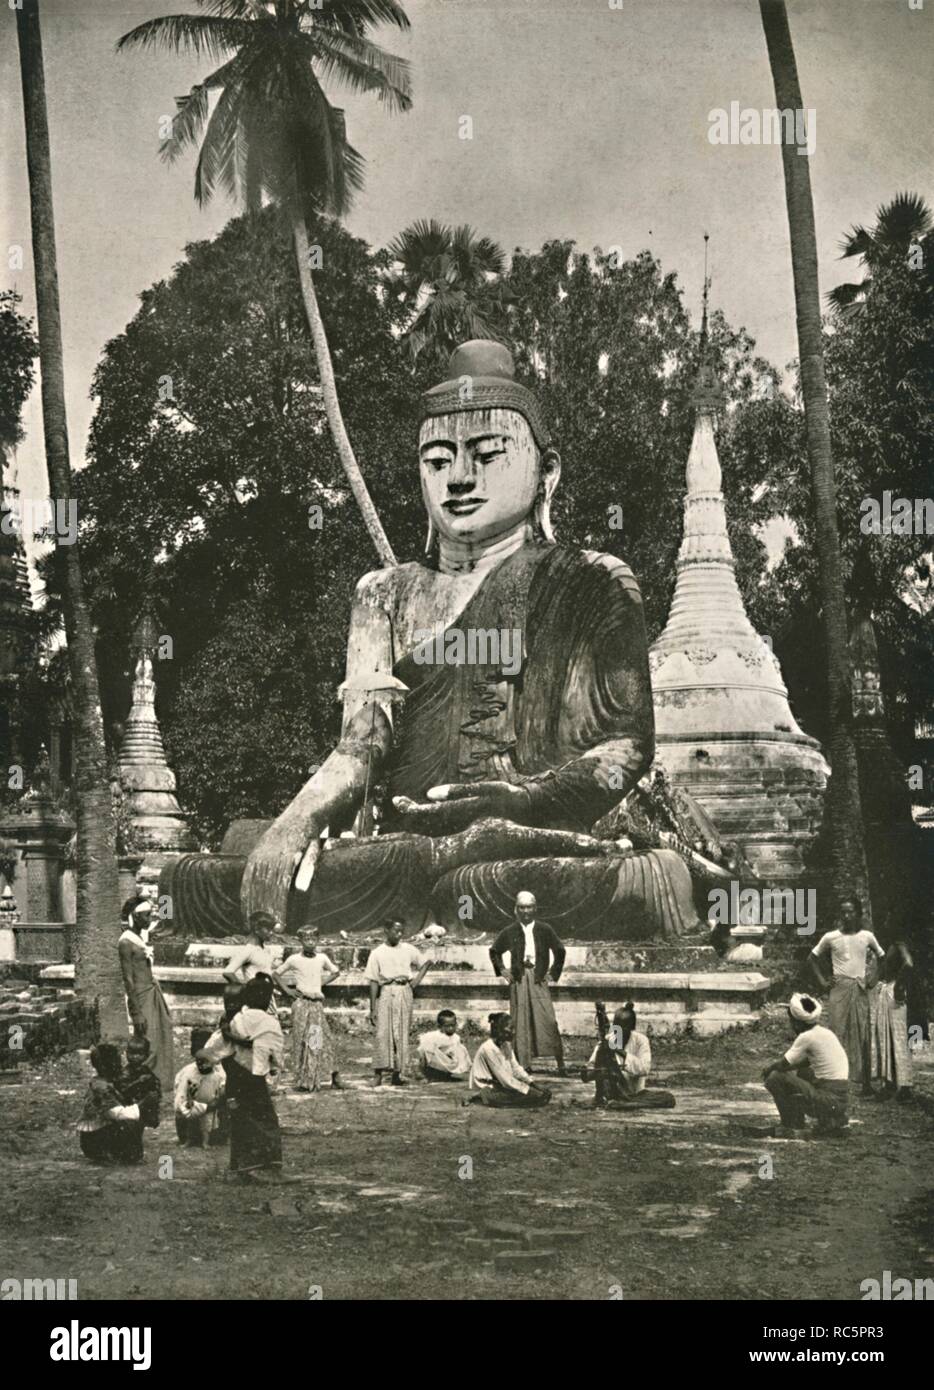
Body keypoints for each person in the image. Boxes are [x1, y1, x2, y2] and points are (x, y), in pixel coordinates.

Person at [807, 897, 884, 1094]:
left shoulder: (867, 936)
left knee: (863, 1034)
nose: (847, 916)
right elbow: (812, 958)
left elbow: (882, 957)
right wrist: (823, 982)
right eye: (843, 912)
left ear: (858, 914)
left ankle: (865, 1084)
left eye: (850, 912)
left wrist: (873, 978)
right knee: (835, 1033)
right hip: (839, 988)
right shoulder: (830, 937)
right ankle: (835, 1081)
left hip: (859, 989)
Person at [490, 891, 566, 1074]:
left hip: (538, 977)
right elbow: (494, 951)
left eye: (529, 907)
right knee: (519, 1021)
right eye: (522, 907)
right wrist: (502, 970)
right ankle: (522, 1065)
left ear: (535, 908)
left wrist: (553, 973)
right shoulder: (510, 931)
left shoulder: (544, 929)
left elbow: (560, 950)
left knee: (547, 1020)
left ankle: (560, 1063)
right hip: (518, 978)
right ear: (516, 909)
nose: (525, 911)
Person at [221, 974, 285, 1182]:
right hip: (255, 1076)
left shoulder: (237, 1019)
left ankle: (239, 1166)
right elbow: (276, 1053)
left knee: (240, 1117)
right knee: (266, 1119)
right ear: (267, 999)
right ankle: (264, 1166)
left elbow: (225, 1044)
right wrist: (275, 1068)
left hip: (236, 1073)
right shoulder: (270, 1022)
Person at [762, 993, 850, 1138]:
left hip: (828, 1099)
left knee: (774, 1078)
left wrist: (768, 1069)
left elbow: (783, 1064)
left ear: (797, 1022)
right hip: (839, 1099)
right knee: (803, 1072)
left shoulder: (806, 1037)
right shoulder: (825, 1033)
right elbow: (805, 1062)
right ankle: (831, 1120)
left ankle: (790, 1123)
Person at [274, 927, 344, 1091]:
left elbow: (336, 972)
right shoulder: (294, 959)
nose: (310, 942)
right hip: (301, 1004)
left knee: (319, 1039)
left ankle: (325, 1078)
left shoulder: (322, 958)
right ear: (301, 941)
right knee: (301, 1040)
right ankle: (303, 1080)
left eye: (313, 939)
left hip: (316, 1005)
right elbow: (276, 974)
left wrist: (321, 984)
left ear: (317, 940)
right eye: (306, 939)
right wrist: (288, 990)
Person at [117, 897, 174, 1094]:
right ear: (135, 916)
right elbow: (128, 979)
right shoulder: (126, 942)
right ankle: (140, 1083)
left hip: (150, 991)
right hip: (140, 996)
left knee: (160, 1033)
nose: (150, 919)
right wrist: (136, 1012)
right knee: (147, 1038)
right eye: (146, 915)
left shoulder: (140, 938)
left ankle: (155, 1081)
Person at [364, 920, 430, 1086]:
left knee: (401, 1033)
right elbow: (373, 981)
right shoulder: (377, 953)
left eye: (401, 931)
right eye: (395, 931)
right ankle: (378, 1074)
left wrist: (415, 982)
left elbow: (425, 962)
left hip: (404, 991)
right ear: (386, 930)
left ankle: (397, 1074)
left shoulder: (408, 949)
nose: (399, 934)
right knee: (382, 1034)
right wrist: (373, 1008)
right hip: (386, 991)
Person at [580, 1002, 673, 1108]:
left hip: (634, 1093)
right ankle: (611, 1101)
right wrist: (587, 1072)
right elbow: (593, 1065)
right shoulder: (608, 1039)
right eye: (616, 1028)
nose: (619, 1032)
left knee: (667, 1098)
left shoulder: (641, 1041)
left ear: (631, 1027)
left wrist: (619, 1051)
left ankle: (624, 1103)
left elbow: (644, 1069)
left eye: (623, 1028)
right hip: (611, 1091)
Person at [76, 1043, 144, 1165]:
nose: (120, 1066)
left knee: (133, 1119)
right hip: (95, 1139)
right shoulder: (101, 1088)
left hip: (98, 1135)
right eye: (117, 1062)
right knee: (132, 1120)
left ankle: (119, 1152)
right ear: (107, 1066)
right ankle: (111, 1153)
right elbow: (115, 1113)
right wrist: (141, 1107)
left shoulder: (105, 1082)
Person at [467, 1013, 551, 1107]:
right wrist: (529, 1090)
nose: (514, 1032)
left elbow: (516, 1068)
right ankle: (480, 1097)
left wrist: (534, 1085)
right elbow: (505, 1079)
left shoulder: (506, 1045)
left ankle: (530, 1098)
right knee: (528, 1096)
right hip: (488, 1089)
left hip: (500, 1085)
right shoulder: (488, 1049)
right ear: (497, 1030)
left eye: (514, 1028)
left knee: (537, 1094)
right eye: (510, 1028)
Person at [869, 941, 914, 1101]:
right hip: (888, 992)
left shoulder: (902, 945)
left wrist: (899, 986)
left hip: (896, 996)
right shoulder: (891, 945)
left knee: (899, 1041)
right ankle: (890, 1083)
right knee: (886, 1040)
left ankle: (905, 1087)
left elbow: (908, 964)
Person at [223, 911, 283, 1013]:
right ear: (257, 929)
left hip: (268, 999)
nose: (271, 932)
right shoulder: (248, 950)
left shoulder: (266, 950)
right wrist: (246, 990)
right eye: (268, 929)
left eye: (271, 929)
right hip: (255, 1002)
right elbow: (228, 972)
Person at [174, 1049, 227, 1147]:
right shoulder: (190, 1073)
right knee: (191, 1123)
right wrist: (185, 1103)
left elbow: (222, 1091)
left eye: (206, 1063)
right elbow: (183, 1091)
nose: (202, 1066)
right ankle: (188, 1140)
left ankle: (205, 1142)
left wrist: (215, 1102)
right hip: (194, 1103)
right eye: (199, 1064)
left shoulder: (217, 1074)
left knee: (206, 1126)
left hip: (210, 1103)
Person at [417, 1010, 471, 1081]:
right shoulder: (435, 1036)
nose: (451, 1028)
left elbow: (457, 1050)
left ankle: (445, 1075)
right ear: (440, 1026)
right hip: (435, 1061)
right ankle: (428, 1075)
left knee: (462, 1049)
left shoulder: (455, 1037)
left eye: (453, 1025)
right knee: (426, 1048)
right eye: (447, 1026)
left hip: (449, 1060)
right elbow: (425, 1046)